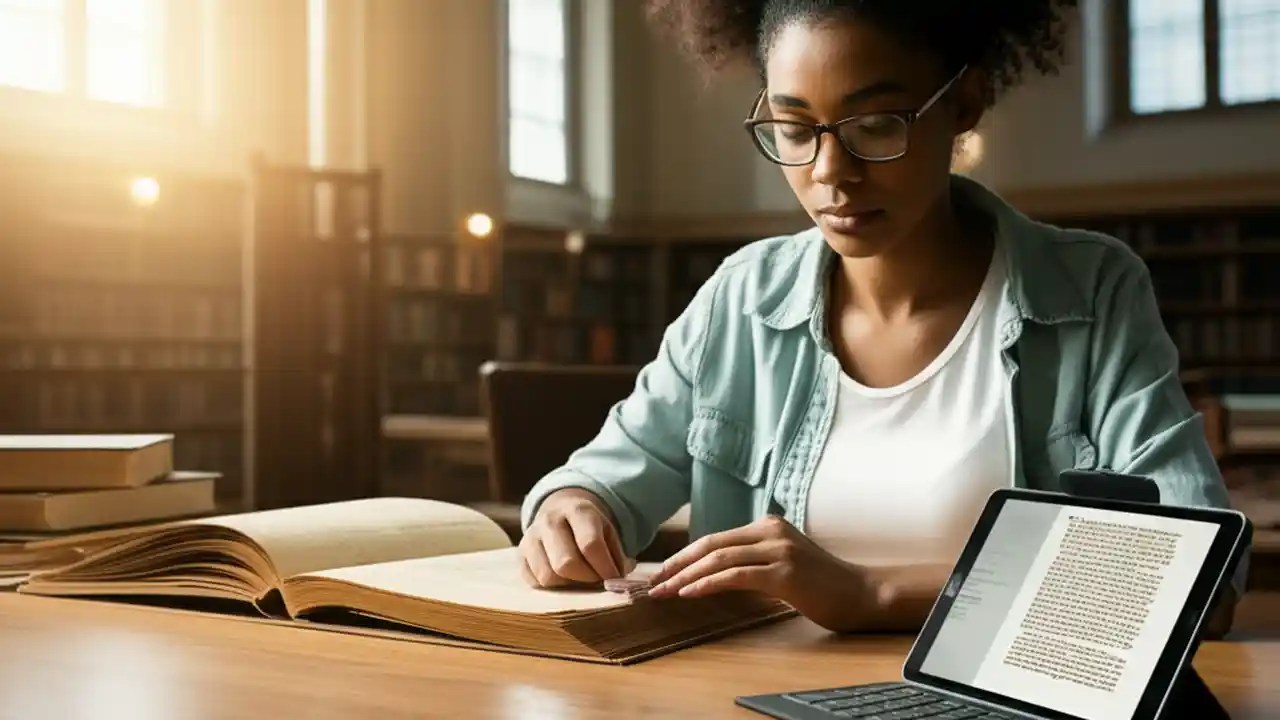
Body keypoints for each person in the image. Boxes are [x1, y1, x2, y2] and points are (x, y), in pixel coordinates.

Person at [516, 0, 1242, 634]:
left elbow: (1197, 575)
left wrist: (871, 592)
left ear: (965, 103)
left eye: (875, 125)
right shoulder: (739, 299)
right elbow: (603, 479)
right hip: (745, 695)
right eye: (795, 129)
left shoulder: (1090, 292)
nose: (831, 171)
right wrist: (571, 507)